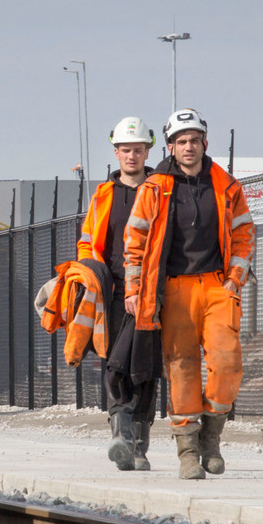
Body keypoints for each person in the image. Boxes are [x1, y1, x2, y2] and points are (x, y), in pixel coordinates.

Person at [122, 109, 254, 479]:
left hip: (216, 286)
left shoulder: (226, 186)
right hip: (174, 288)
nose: (189, 146)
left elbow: (244, 233)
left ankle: (212, 437)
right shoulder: (154, 188)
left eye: (194, 140)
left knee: (227, 363)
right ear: (170, 147)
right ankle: (188, 452)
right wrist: (134, 289)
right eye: (181, 141)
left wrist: (234, 279)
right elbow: (134, 243)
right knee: (181, 368)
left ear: (204, 144)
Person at [78, 116, 159, 471]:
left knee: (145, 368)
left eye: (137, 150)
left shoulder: (159, 191)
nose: (132, 156)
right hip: (112, 292)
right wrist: (88, 277)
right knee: (113, 363)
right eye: (126, 150)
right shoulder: (104, 196)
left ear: (147, 151)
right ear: (116, 152)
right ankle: (120, 431)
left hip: (151, 293)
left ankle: (138, 445)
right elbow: (88, 241)